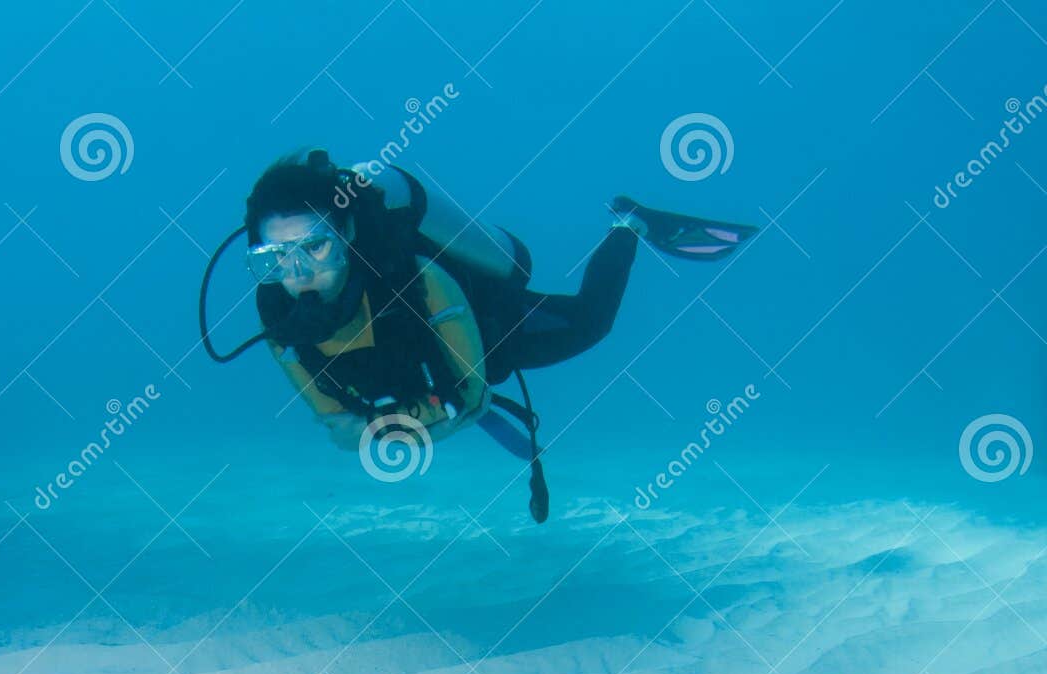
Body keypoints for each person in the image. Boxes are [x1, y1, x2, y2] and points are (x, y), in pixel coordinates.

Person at [198, 149, 756, 520]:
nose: (297, 273)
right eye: (274, 258)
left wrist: (410, 419)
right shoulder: (281, 322)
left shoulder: (413, 277)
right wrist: (413, 416)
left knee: (592, 321)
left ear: (344, 233)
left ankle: (628, 223)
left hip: (493, 336)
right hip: (420, 381)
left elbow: (468, 396)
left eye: (315, 247)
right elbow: (340, 431)